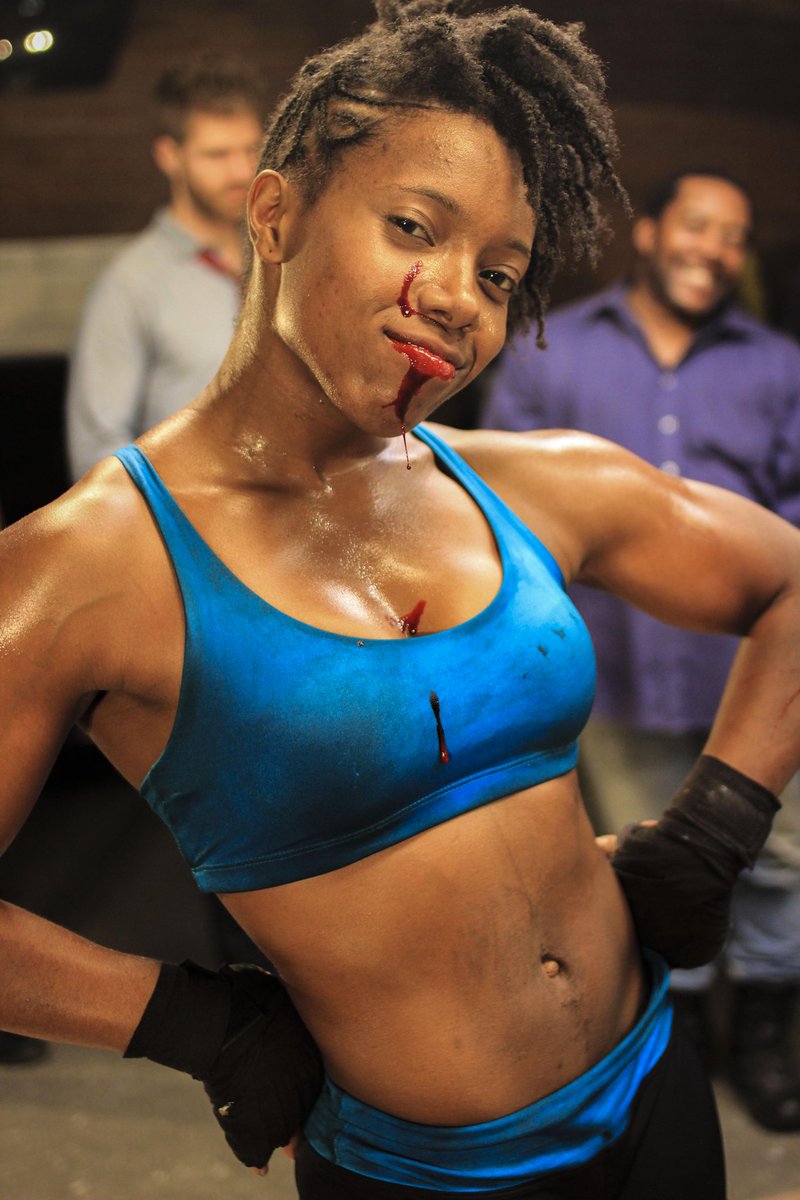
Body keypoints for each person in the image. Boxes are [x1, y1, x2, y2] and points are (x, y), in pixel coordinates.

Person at [2, 4, 800, 1196]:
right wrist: (178, 1019)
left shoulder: (527, 486)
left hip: (653, 1095)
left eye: (499, 273)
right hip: (419, 1173)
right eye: (413, 228)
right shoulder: (88, 567)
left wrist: (712, 828)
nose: (459, 297)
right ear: (274, 213)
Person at [481, 168, 800, 1133]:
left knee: (781, 859)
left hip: (753, 670)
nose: (714, 250)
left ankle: (768, 1032)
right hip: (610, 667)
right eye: (697, 226)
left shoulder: (781, 366)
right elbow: (506, 515)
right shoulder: (551, 350)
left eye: (734, 236)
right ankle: (679, 1034)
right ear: (652, 233)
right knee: (640, 854)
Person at [66, 58, 265, 478]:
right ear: (169, 156)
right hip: (183, 514)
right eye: (217, 155)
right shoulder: (130, 283)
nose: (241, 171)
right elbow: (96, 453)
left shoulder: (279, 254)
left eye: (251, 150)